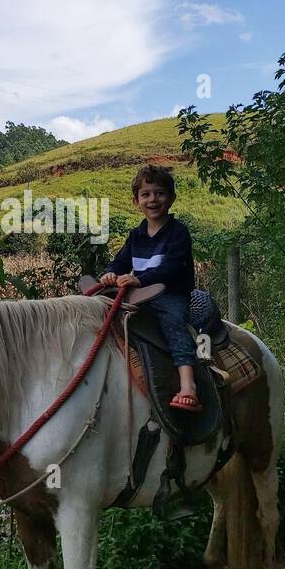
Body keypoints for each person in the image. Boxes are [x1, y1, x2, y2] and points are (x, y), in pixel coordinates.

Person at [100, 165, 201, 410]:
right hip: (141, 296)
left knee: (174, 323)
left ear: (171, 198)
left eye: (160, 193)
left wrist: (139, 280)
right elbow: (121, 260)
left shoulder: (178, 233)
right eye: (146, 194)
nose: (152, 199)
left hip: (170, 295)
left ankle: (188, 384)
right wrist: (110, 273)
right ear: (136, 201)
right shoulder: (136, 235)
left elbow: (173, 267)